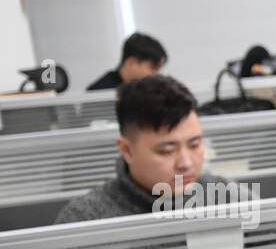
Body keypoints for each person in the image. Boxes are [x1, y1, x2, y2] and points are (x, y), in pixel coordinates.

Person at [56, 75, 231, 224]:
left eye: (194, 145)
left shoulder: (225, 196)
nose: (185, 163)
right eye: (166, 151)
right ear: (127, 151)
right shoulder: (86, 219)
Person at [86, 32, 167, 91]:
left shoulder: (143, 90)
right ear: (131, 63)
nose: (156, 75)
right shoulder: (100, 92)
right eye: (152, 68)